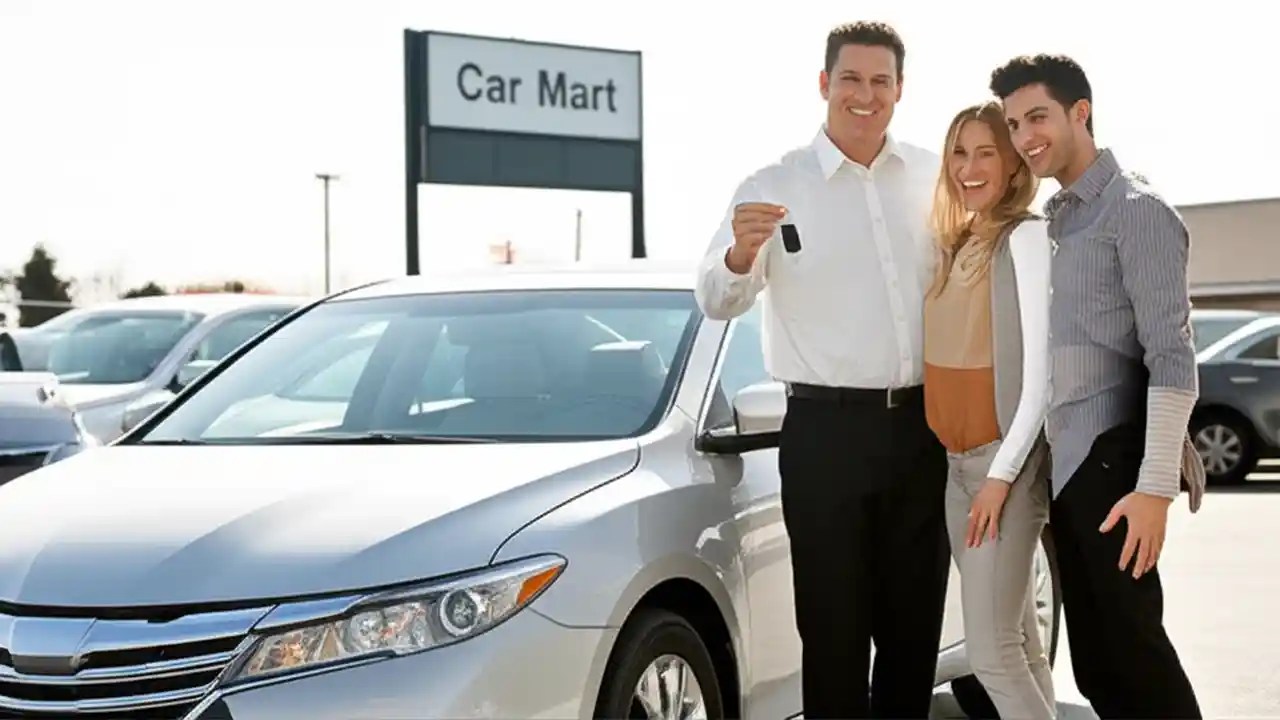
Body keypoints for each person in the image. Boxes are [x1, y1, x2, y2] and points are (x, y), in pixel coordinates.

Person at [694, 20, 948, 720]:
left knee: (913, 633)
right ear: (823, 84)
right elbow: (717, 298)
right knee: (833, 634)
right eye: (851, 79)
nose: (865, 96)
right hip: (824, 437)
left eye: (880, 81)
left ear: (899, 89)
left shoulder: (933, 177)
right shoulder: (773, 185)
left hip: (923, 433)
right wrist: (742, 255)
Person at [989, 53, 1206, 719]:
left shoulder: (1135, 211)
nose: (1025, 136)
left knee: (1135, 658)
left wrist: (1154, 487)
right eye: (1014, 122)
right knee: (1100, 668)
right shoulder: (1060, 218)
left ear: (1079, 112)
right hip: (1072, 470)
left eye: (1037, 117)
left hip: (1116, 470)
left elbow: (1173, 356)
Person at [922, 101, 1057, 720]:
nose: (968, 167)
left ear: (1012, 164)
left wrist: (1001, 479)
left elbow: (1039, 381)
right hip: (958, 468)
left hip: (1002, 467)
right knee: (1021, 643)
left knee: (992, 655)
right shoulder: (959, 241)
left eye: (985, 152)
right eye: (958, 152)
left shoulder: (1024, 237)